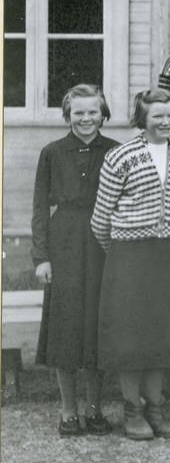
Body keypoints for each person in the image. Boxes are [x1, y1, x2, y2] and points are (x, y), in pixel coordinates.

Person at [91, 90, 170, 440]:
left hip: (168, 253)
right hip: (128, 256)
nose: (166, 122)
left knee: (162, 334)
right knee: (130, 336)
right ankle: (132, 411)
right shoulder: (121, 156)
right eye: (158, 117)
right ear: (142, 119)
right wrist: (120, 253)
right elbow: (100, 219)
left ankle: (155, 409)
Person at [32, 85, 120, 437]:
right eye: (78, 113)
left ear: (103, 114)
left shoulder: (115, 151)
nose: (86, 119)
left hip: (103, 239)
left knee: (97, 324)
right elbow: (40, 208)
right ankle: (69, 411)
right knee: (66, 326)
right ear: (67, 116)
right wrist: (41, 257)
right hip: (64, 238)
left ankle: (95, 409)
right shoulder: (52, 152)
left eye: (93, 112)